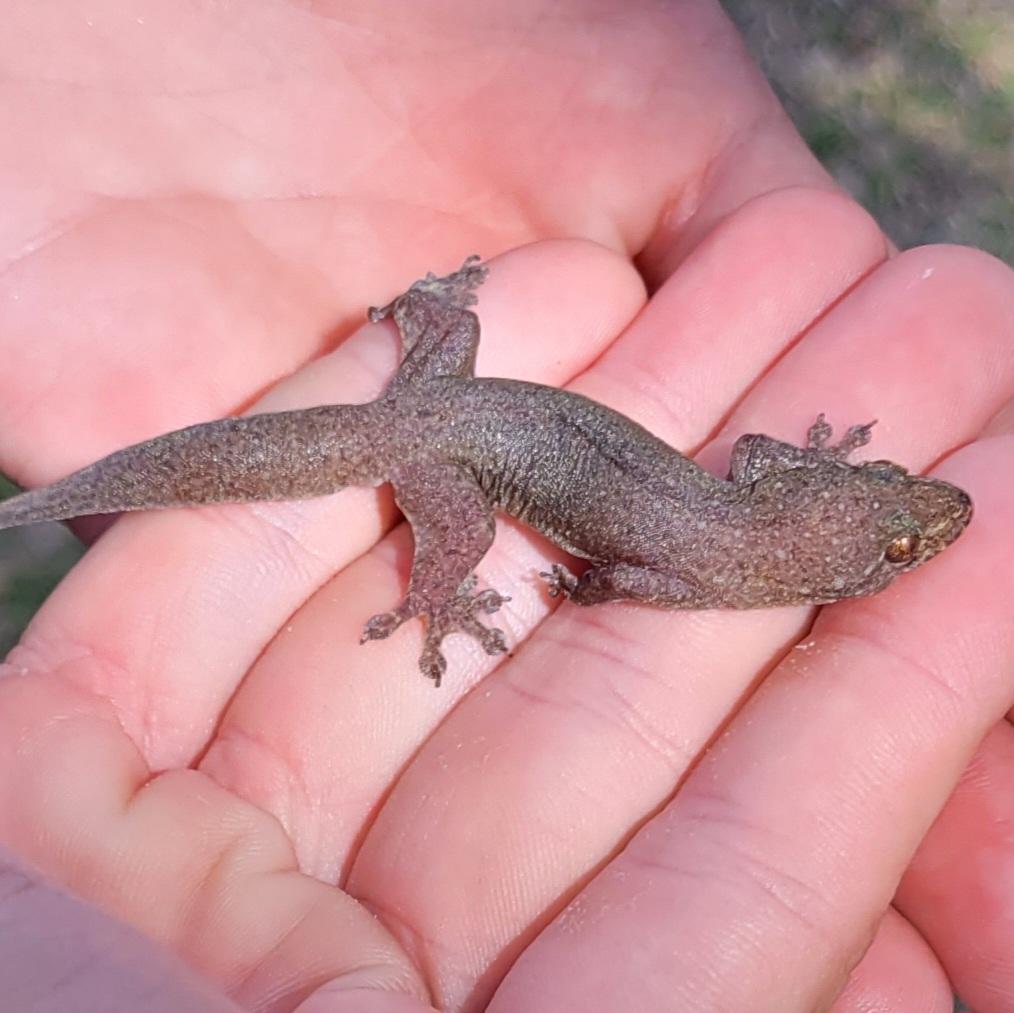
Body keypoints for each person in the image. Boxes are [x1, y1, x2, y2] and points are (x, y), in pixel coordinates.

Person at [1, 2, 1011, 1010]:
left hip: (456, 404)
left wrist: (792, 479)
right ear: (836, 569)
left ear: (834, 563)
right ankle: (434, 592)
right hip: (447, 441)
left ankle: (433, 313)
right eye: (893, 520)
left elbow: (719, 479)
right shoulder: (722, 576)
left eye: (895, 532)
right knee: (464, 529)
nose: (912, 527)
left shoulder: (742, 531)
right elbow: (619, 576)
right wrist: (574, 587)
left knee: (433, 371)